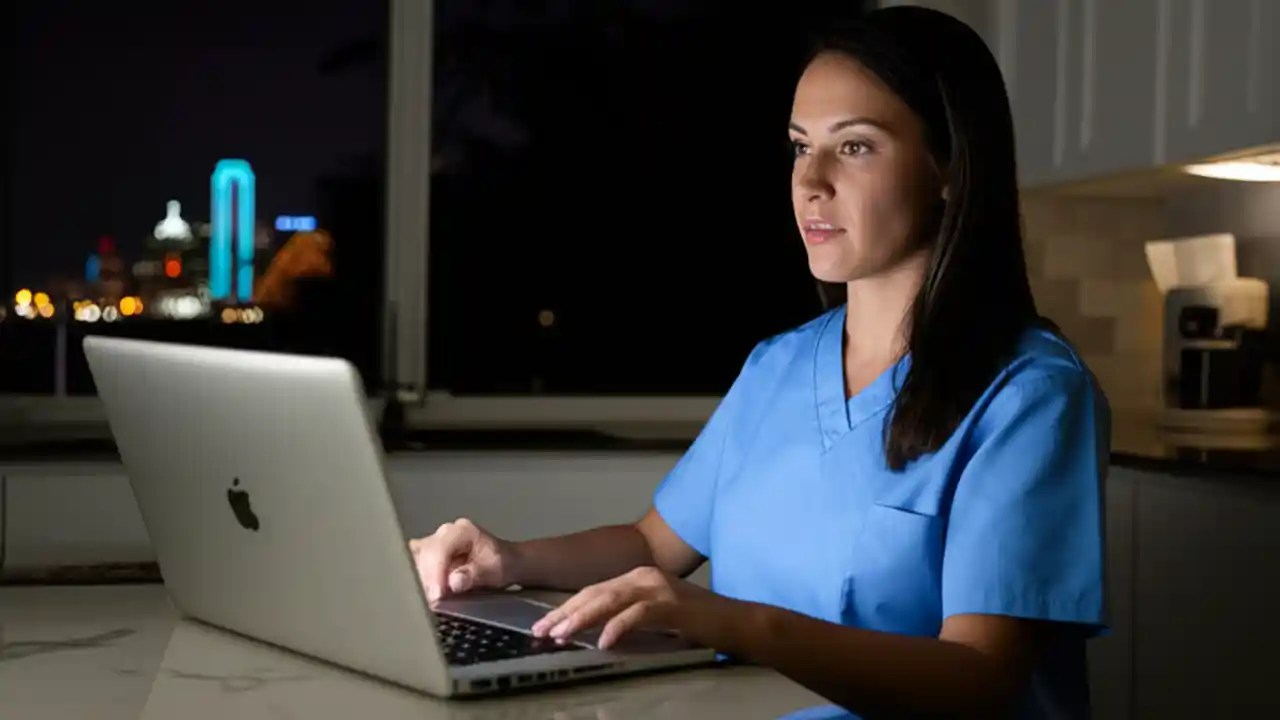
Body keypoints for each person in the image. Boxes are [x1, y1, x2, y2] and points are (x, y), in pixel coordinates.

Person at [409, 7, 1110, 718]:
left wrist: (735, 622)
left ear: (950, 169)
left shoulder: (1031, 396)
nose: (812, 180)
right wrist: (509, 560)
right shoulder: (778, 366)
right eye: (801, 147)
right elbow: (654, 544)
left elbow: (981, 674)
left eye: (856, 147)